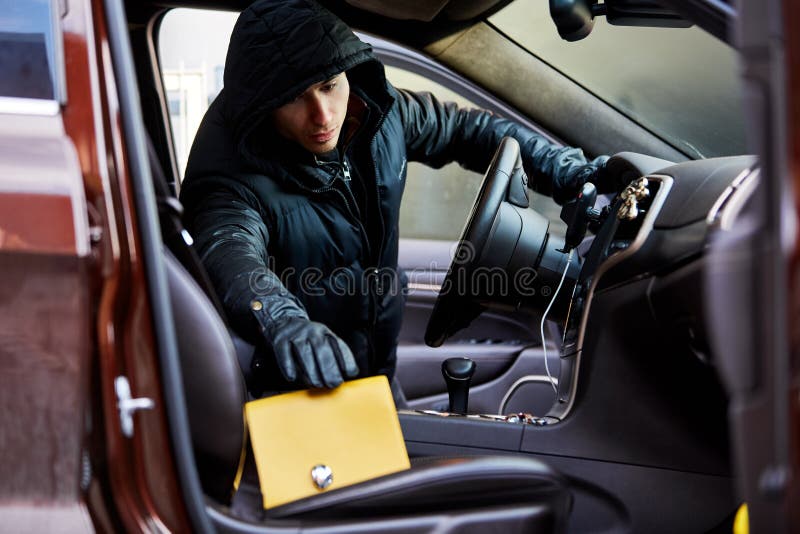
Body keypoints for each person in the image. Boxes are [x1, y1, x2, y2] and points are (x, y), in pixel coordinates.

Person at [180, 0, 611, 398]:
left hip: (377, 369)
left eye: (329, 86)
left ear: (346, 74)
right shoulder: (230, 178)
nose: (322, 116)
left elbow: (469, 131)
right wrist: (281, 319)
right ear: (263, 105)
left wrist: (567, 171)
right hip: (298, 388)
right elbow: (229, 251)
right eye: (294, 98)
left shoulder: (377, 114)